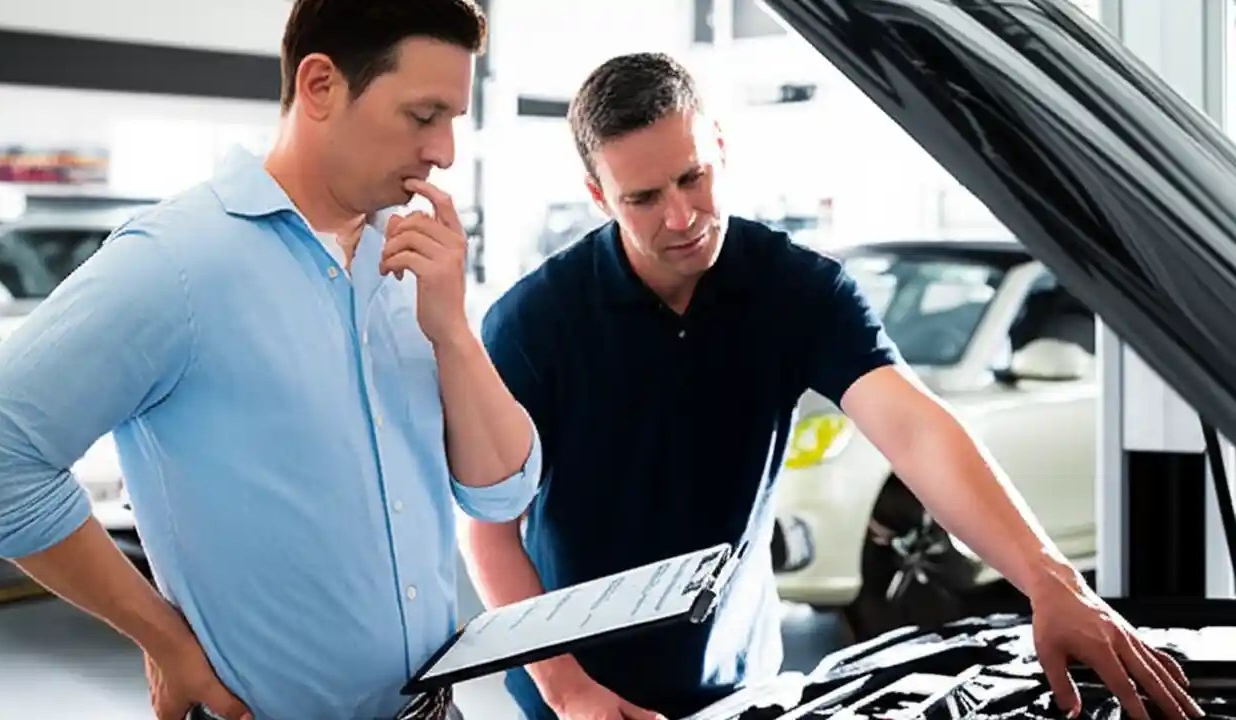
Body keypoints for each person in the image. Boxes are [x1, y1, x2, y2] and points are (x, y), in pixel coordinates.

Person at [463, 52, 1204, 720]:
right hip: (579, 691)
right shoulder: (532, 325)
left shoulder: (796, 290)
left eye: (693, 177)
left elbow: (913, 431)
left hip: (743, 681)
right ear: (598, 196)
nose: (682, 216)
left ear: (719, 145)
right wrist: (568, 691)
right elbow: (490, 532)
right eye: (644, 198)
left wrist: (1049, 581)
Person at [0, 2, 541, 719]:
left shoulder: (412, 258)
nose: (445, 151)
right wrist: (163, 638)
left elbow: (501, 494)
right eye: (424, 117)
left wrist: (451, 329)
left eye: (454, 118)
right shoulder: (177, 261)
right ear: (321, 86)